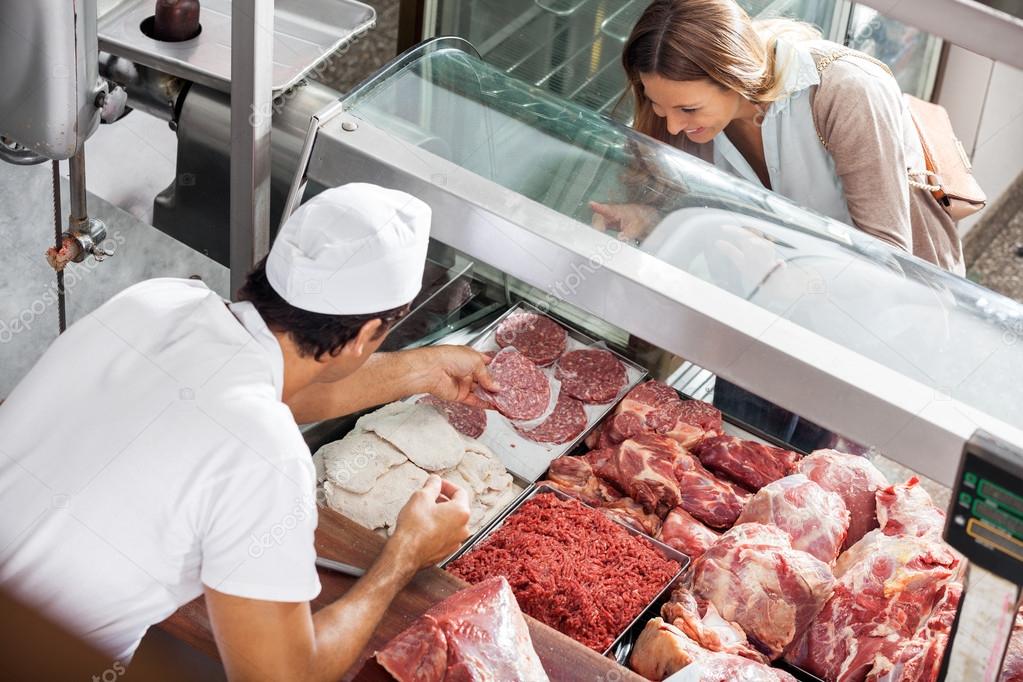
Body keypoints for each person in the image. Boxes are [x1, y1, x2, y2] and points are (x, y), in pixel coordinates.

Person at [0, 183, 498, 679]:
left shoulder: (161, 299)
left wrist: (423, 369)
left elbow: (263, 393)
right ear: (367, 334)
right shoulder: (267, 458)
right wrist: (402, 558)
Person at [590, 0, 965, 275]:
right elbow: (705, 217)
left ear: (735, 78)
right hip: (772, 309)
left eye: (688, 109)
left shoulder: (845, 92)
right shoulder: (697, 129)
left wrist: (790, 282)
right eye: (658, 106)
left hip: (891, 318)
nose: (672, 126)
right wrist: (652, 218)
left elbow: (888, 259)